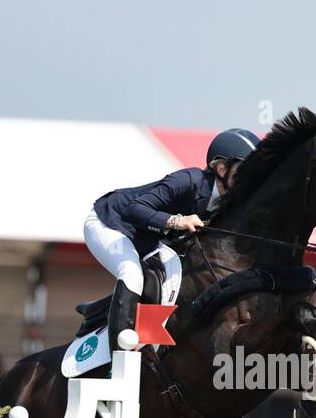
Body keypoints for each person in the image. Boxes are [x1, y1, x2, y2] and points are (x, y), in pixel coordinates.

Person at [85, 128, 259, 351]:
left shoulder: (228, 203)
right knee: (132, 274)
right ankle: (120, 355)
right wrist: (177, 221)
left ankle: (130, 330)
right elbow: (133, 210)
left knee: (172, 275)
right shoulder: (188, 180)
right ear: (221, 168)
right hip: (110, 222)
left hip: (146, 234)